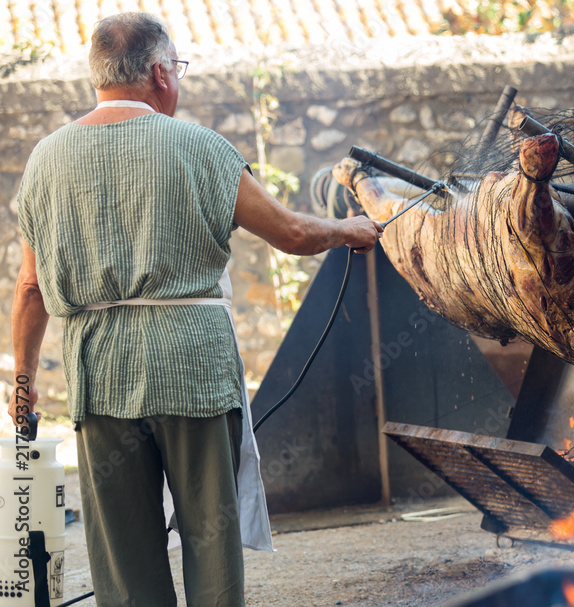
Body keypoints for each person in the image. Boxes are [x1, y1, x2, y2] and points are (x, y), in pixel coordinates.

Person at [7, 12, 382, 606]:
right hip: (194, 376)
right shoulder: (199, 147)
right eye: (176, 69)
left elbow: (30, 288)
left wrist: (24, 385)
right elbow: (290, 233)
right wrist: (348, 228)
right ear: (159, 74)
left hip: (99, 379)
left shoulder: (46, 161)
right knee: (210, 545)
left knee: (125, 564)